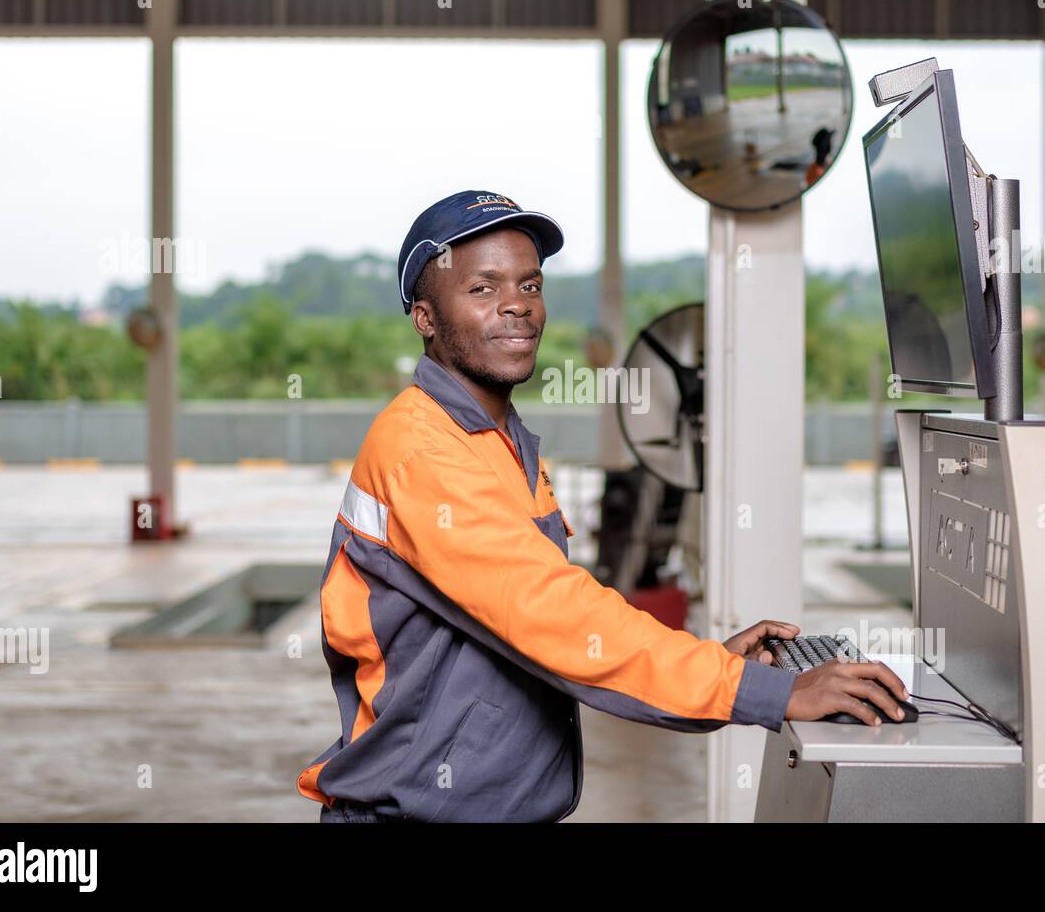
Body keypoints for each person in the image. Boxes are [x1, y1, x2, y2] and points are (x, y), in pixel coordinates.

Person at [296, 190, 909, 822]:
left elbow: (553, 612)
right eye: (482, 289)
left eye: (529, 285)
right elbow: (554, 617)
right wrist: (765, 690)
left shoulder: (495, 437)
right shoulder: (422, 450)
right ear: (425, 317)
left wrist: (709, 665)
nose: (517, 305)